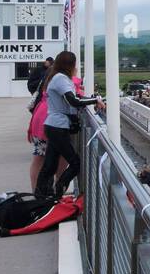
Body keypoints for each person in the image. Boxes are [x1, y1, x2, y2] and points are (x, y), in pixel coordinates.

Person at [34, 52, 103, 200]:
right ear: (70, 65)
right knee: (75, 162)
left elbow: (75, 98)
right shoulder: (61, 79)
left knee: (50, 165)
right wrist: (94, 101)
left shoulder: (57, 77)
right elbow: (74, 101)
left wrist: (93, 99)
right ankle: (58, 189)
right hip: (58, 127)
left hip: (54, 126)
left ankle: (42, 196)